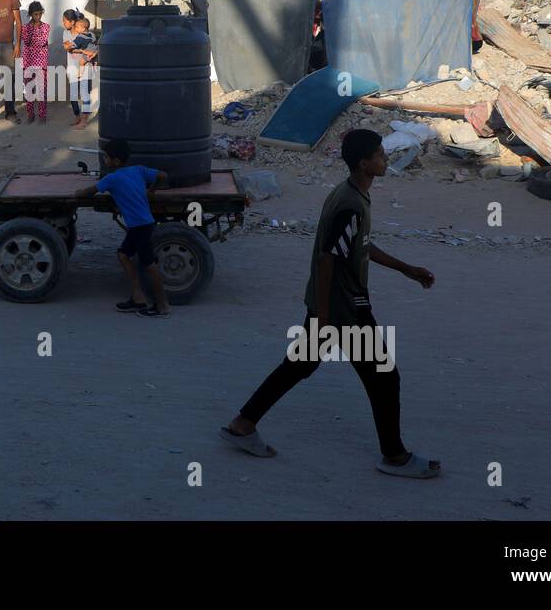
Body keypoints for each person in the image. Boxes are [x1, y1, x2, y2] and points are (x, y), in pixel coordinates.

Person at [219, 129, 442, 479]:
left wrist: (406, 269)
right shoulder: (350, 203)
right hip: (345, 310)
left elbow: (359, 247)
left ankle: (242, 424)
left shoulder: (349, 194)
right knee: (385, 379)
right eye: (381, 155)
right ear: (364, 163)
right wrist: (325, 317)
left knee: (298, 366)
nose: (385, 159)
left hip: (332, 307)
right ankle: (395, 456)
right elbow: (327, 260)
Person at [74, 138, 171, 318]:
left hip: (140, 226)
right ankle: (138, 297)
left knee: (149, 264)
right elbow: (163, 175)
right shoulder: (139, 170)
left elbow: (91, 191)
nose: (104, 159)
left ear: (116, 161)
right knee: (123, 255)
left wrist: (78, 193)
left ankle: (162, 306)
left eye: (106, 157)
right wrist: (152, 190)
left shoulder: (112, 178)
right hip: (142, 224)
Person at [20, 0, 51, 123]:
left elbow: (42, 41)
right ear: (31, 14)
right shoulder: (26, 27)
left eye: (40, 14)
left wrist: (34, 37)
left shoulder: (46, 27)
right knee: (29, 90)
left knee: (41, 90)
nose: (38, 17)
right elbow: (26, 40)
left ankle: (42, 115)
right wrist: (33, 30)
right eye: (35, 14)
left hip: (41, 63)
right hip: (28, 62)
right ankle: (30, 114)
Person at [65, 15, 98, 130]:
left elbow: (69, 47)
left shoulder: (80, 36)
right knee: (74, 95)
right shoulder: (90, 34)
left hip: (86, 67)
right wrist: (85, 50)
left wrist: (91, 52)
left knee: (84, 94)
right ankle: (78, 118)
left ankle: (84, 121)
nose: (76, 27)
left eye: (77, 25)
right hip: (76, 67)